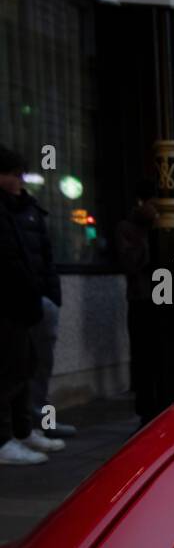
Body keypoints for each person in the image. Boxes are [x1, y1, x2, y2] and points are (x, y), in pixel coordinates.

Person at [0, 146, 62, 464]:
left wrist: (49, 294)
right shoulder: (8, 212)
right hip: (12, 302)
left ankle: (25, 430)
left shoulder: (24, 209)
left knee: (27, 367)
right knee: (11, 370)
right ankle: (7, 438)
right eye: (14, 175)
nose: (19, 181)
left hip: (28, 300)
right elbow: (12, 259)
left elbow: (38, 255)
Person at [116, 178, 160, 423]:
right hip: (141, 299)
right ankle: (145, 411)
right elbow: (131, 263)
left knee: (160, 355)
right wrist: (150, 235)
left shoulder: (161, 225)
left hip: (165, 297)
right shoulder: (127, 228)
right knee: (143, 356)